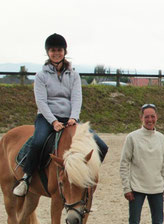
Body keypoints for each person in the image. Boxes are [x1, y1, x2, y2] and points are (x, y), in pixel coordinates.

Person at [13, 33, 108, 197]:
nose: (56, 53)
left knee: (101, 146)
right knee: (38, 142)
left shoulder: (73, 75)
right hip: (47, 117)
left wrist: (74, 117)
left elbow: (77, 97)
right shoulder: (41, 76)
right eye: (52, 50)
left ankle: (86, 179)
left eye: (59, 50)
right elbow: (41, 101)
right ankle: (27, 178)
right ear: (48, 52)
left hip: (70, 118)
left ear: (64, 51)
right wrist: (53, 122)